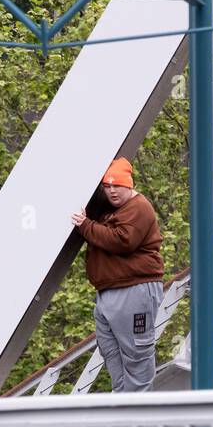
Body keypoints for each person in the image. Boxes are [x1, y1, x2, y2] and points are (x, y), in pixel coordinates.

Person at [70, 157, 165, 391]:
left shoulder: (139, 207)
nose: (112, 191)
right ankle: (122, 407)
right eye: (107, 186)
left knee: (136, 354)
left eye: (117, 185)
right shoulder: (110, 208)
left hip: (135, 290)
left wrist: (86, 226)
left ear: (129, 184)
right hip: (109, 292)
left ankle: (139, 415)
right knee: (111, 352)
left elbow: (123, 240)